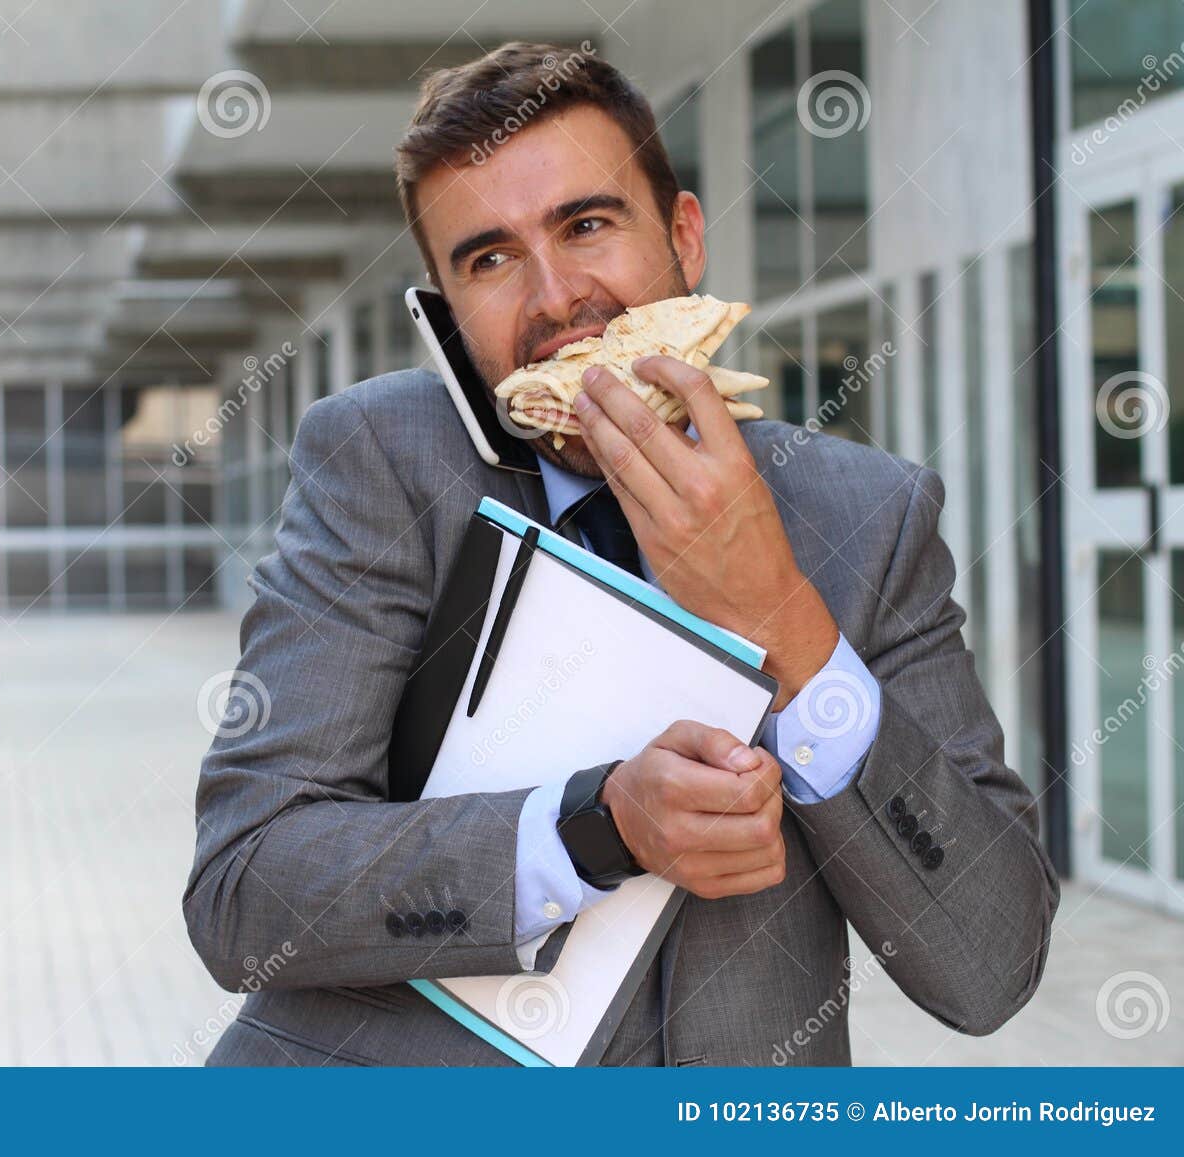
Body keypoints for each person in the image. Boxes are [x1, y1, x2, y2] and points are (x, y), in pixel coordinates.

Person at [182, 41, 1058, 1066]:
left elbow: (991, 960)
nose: (555, 298)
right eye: (489, 258)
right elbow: (244, 890)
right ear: (449, 314)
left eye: (587, 224)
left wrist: (783, 621)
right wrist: (590, 830)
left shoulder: (864, 513)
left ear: (685, 241)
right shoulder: (379, 462)